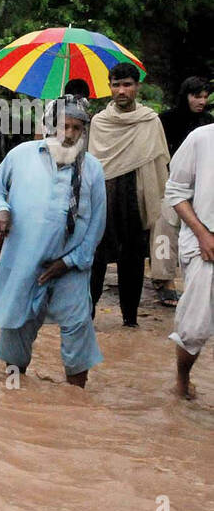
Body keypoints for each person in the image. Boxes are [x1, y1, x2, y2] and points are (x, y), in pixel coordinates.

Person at [0, 98, 106, 388]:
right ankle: (13, 395)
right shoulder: (21, 155)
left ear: (83, 132)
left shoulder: (92, 169)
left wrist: (70, 262)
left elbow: (97, 226)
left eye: (77, 128)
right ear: (51, 127)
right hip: (24, 260)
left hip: (71, 266)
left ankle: (76, 400)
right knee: (17, 325)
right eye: (64, 125)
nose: (69, 133)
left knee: (78, 328)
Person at [88, 63, 170, 327]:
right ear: (109, 86)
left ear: (137, 87)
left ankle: (130, 320)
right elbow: (93, 166)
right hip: (105, 197)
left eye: (127, 85)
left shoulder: (150, 121)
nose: (121, 90)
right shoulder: (100, 122)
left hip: (137, 195)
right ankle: (86, 316)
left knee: (133, 258)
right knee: (96, 258)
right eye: (116, 85)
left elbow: (159, 163)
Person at [153, 77, 211, 307]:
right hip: (170, 182)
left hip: (202, 188)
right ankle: (164, 280)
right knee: (165, 228)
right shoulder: (166, 120)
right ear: (185, 95)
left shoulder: (207, 123)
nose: (201, 101)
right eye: (197, 96)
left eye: (205, 97)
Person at [167, 122, 214, 399]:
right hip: (204, 244)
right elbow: (176, 192)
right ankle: (182, 380)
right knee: (194, 328)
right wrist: (203, 234)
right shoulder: (200, 138)